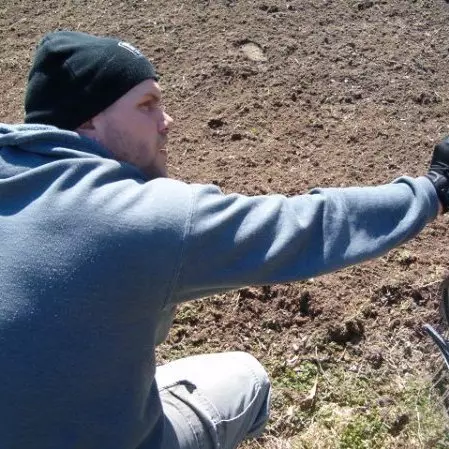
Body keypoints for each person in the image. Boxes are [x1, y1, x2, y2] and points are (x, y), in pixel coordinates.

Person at [0, 30, 448, 449]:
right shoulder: (140, 218)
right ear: (91, 121)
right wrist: (433, 189)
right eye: (147, 105)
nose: (167, 121)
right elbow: (306, 226)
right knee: (245, 378)